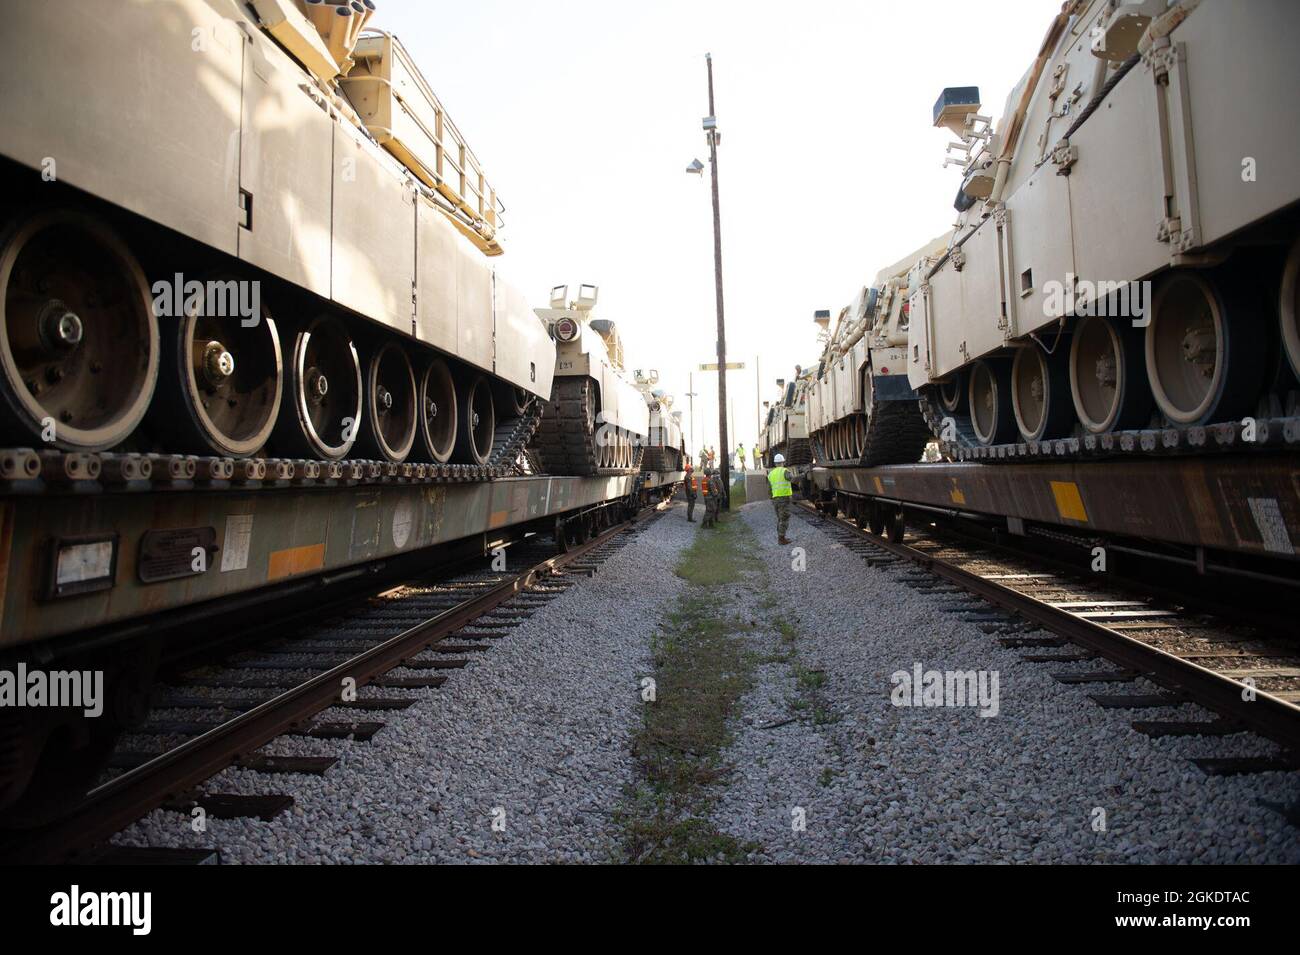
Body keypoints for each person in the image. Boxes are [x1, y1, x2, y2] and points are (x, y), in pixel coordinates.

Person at [767, 452, 794, 545]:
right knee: (784, 518)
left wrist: (772, 498)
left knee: (780, 518)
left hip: (775, 499)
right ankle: (781, 539)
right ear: (783, 462)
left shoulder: (771, 474)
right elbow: (791, 478)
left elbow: (769, 489)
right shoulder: (785, 471)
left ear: (775, 463)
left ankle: (781, 537)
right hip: (784, 499)